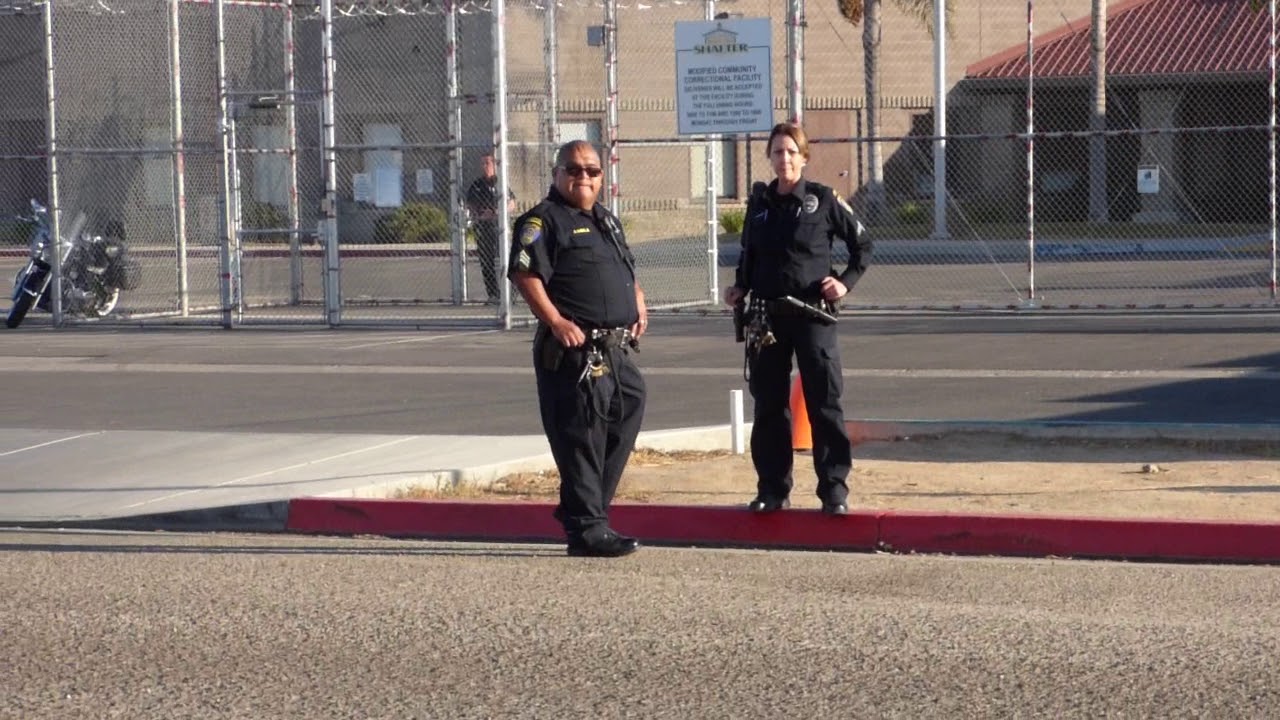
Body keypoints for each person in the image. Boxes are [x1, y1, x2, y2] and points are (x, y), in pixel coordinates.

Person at [508, 140, 649, 558]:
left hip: (615, 348)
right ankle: (587, 529)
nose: (582, 177)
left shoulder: (606, 220)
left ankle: (580, 508)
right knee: (583, 436)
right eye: (573, 169)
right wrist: (555, 321)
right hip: (574, 350)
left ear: (603, 177)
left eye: (592, 170)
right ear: (557, 173)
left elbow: (625, 270)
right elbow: (524, 274)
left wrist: (638, 302)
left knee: (628, 410)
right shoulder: (543, 221)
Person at [723, 122, 872, 515]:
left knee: (824, 402)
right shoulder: (759, 203)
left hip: (811, 315)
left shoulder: (822, 200)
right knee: (769, 407)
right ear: (769, 157)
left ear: (804, 158)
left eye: (791, 152)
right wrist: (739, 287)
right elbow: (748, 256)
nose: (784, 158)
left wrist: (844, 283)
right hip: (767, 319)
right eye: (777, 152)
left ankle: (834, 490)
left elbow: (863, 245)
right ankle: (772, 490)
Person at [466, 153, 516, 303]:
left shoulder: (501, 183)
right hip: (483, 228)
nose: (485, 166)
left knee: (506, 261)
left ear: (494, 165)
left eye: (487, 163)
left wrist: (497, 212)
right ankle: (493, 295)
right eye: (483, 163)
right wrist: (479, 215)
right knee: (487, 262)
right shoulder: (477, 185)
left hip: (499, 228)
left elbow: (512, 202)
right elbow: (471, 204)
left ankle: (509, 294)